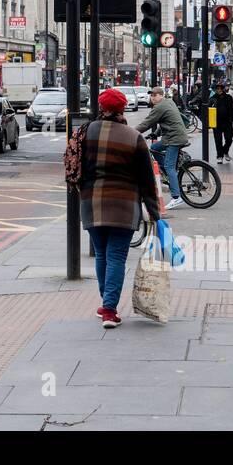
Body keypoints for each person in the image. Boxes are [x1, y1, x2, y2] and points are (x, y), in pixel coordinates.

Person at [73, 87, 160, 327]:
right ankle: (110, 309)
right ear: (122, 109)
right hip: (124, 205)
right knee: (116, 257)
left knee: (102, 254)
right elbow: (147, 181)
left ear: (101, 108)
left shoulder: (85, 132)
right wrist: (154, 213)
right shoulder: (134, 137)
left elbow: (74, 167)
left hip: (92, 203)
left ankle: (106, 303)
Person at [136, 87, 190, 209]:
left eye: (155, 95)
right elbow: (166, 121)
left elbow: (146, 123)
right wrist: (155, 133)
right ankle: (168, 174)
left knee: (169, 166)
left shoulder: (159, 107)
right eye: (151, 95)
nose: (153, 98)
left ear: (161, 95)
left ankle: (176, 197)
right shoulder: (169, 102)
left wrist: (131, 132)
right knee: (154, 148)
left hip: (174, 139)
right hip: (175, 136)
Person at [211, 82, 233, 163]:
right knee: (218, 141)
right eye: (217, 89)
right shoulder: (212, 98)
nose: (219, 90)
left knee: (229, 139)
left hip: (227, 122)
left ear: (222, 89)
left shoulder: (228, 97)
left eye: (220, 88)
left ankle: (225, 151)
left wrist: (232, 119)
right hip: (217, 123)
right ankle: (219, 156)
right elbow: (208, 110)